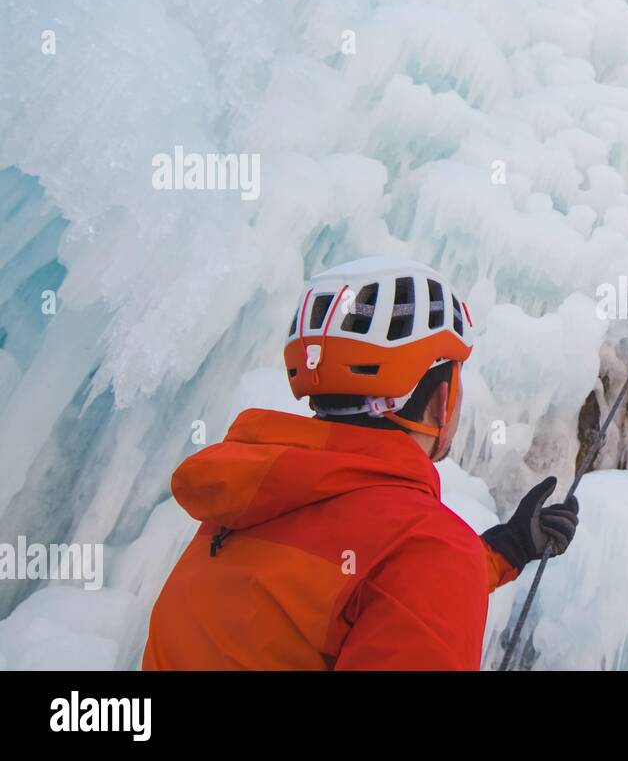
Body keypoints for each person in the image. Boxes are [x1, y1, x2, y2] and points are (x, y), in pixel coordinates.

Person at [142, 257, 578, 670]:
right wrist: (454, 564)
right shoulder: (425, 549)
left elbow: (348, 588)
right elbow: (395, 574)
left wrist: (504, 550)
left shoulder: (250, 499)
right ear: (440, 400)